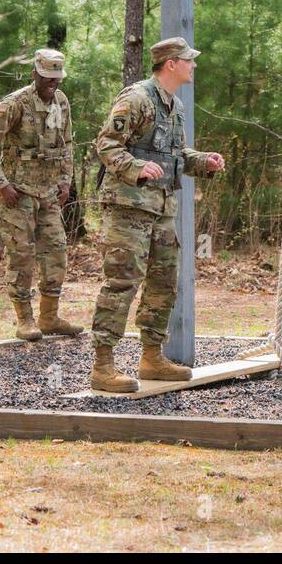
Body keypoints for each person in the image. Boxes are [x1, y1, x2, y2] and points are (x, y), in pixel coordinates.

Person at [89, 37, 226, 392]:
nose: (193, 66)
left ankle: (151, 357)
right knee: (122, 281)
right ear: (171, 64)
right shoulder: (136, 99)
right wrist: (135, 167)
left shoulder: (174, 106)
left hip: (163, 207)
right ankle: (103, 366)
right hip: (128, 207)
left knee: (164, 281)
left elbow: (176, 154)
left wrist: (203, 161)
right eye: (188, 61)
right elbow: (106, 144)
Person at [0, 48, 83, 341]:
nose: (53, 83)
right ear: (34, 73)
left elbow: (68, 144)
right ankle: (25, 320)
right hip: (18, 194)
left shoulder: (62, 102)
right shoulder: (15, 104)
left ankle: (49, 317)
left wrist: (64, 182)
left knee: (56, 253)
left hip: (48, 194)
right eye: (47, 77)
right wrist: (2, 184)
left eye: (57, 78)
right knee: (22, 255)